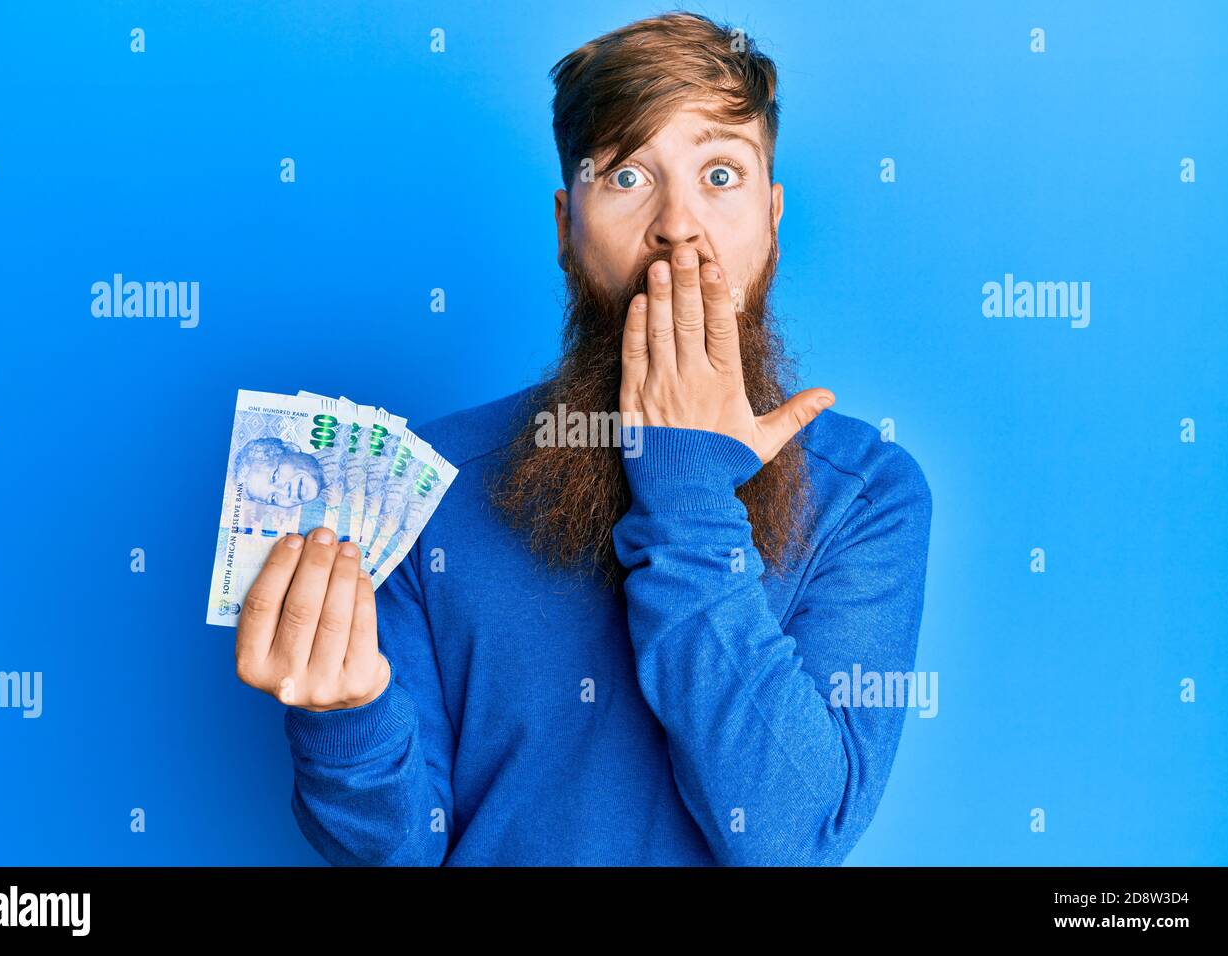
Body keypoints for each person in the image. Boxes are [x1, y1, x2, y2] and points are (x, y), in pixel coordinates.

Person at [234, 11, 933, 865]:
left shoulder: (867, 493)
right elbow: (401, 851)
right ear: (567, 224)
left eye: (721, 173)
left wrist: (686, 495)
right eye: (628, 175)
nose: (680, 225)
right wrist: (346, 723)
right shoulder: (428, 485)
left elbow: (791, 836)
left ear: (774, 216)